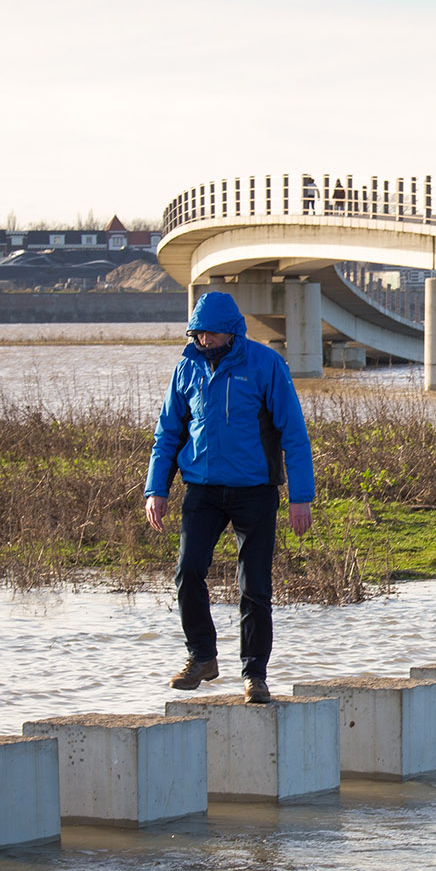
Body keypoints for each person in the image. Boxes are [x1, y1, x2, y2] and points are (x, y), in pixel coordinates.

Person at [145, 291, 315, 704]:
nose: (207, 341)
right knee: (187, 572)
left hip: (255, 491)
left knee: (254, 585)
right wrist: (156, 488)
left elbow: (293, 432)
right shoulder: (186, 368)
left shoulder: (265, 364)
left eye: (213, 334)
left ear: (232, 331)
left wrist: (300, 496)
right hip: (202, 490)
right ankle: (201, 657)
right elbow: (168, 433)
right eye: (200, 334)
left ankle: (254, 674)